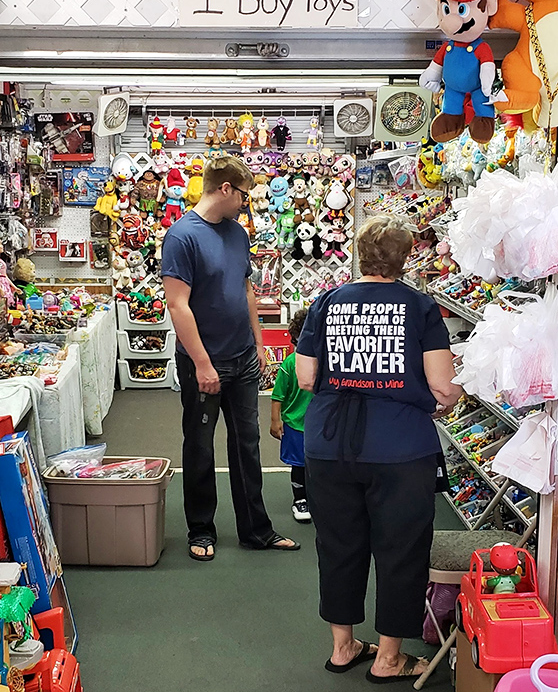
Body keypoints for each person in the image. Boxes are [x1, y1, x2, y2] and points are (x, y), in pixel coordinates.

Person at [295, 215, 462, 683]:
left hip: (329, 444)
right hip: (399, 447)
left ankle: (343, 646)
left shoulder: (326, 302)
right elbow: (443, 386)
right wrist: (445, 398)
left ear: (360, 253)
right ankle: (389, 658)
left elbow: (306, 377)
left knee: (337, 545)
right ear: (404, 258)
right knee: (401, 550)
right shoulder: (420, 307)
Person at [161, 156, 299, 562]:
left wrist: (258, 343)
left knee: (247, 445)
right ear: (225, 189)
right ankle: (201, 529)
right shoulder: (182, 237)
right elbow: (177, 304)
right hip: (203, 362)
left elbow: (246, 290)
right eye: (243, 195)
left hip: (242, 358)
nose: (245, 203)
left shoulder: (238, 233)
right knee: (200, 447)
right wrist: (203, 363)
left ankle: (256, 530)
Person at [270, 308, 313, 522]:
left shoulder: (325, 361)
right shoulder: (289, 364)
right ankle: (300, 499)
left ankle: (318, 498)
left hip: (321, 425)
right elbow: (277, 395)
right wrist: (275, 420)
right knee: (299, 464)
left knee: (321, 463)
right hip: (295, 425)